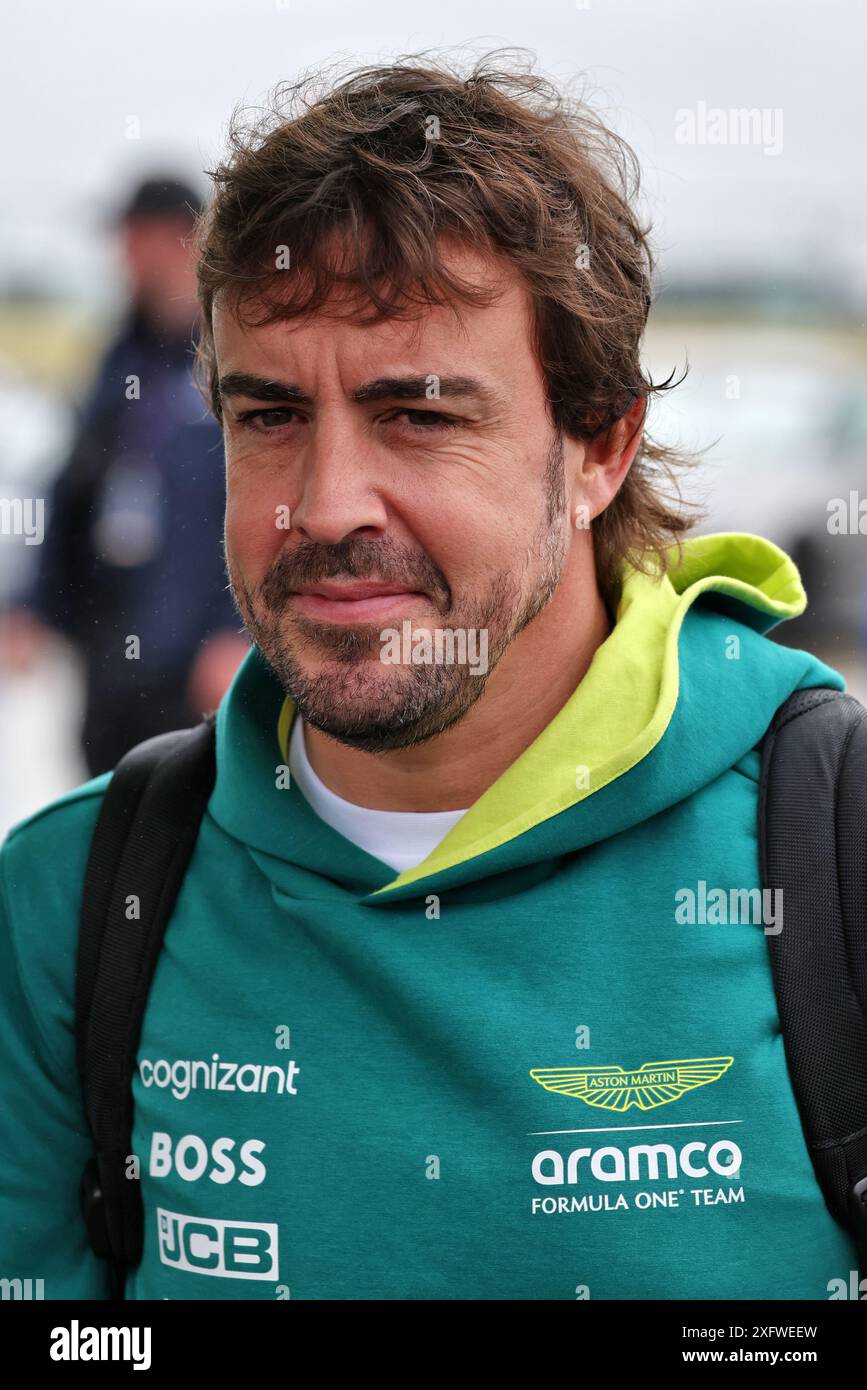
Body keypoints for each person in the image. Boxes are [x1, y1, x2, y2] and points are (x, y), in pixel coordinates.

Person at [0, 53, 858, 1300]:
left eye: (420, 414)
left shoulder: (833, 847)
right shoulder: (68, 904)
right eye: (270, 416)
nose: (327, 505)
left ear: (602, 445)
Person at [0, 175, 247, 774]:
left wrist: (237, 630)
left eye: (137, 238)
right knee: (104, 820)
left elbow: (267, 500)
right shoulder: (118, 355)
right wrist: (30, 604)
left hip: (194, 661)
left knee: (188, 830)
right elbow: (72, 482)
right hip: (109, 644)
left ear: (186, 240)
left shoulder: (238, 351)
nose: (123, 257)